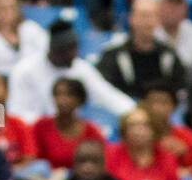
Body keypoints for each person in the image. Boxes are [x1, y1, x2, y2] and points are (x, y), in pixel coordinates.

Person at [8, 21, 136, 126]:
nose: (75, 54)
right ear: (55, 50)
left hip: (69, 132)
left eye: (76, 48)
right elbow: (16, 112)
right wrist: (46, 126)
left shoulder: (80, 68)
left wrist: (135, 112)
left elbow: (108, 96)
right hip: (34, 133)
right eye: (70, 50)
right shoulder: (24, 70)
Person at [97, 0, 189, 108]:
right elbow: (103, 92)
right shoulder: (113, 56)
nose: (146, 22)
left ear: (158, 20)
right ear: (131, 19)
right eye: (142, 15)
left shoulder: (169, 55)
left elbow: (180, 91)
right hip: (124, 114)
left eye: (151, 16)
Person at [33, 77, 106, 172]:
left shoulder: (92, 132)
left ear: (80, 100)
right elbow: (33, 160)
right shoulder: (41, 126)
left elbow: (100, 164)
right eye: (57, 94)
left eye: (68, 95)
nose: (61, 100)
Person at [105, 107, 183, 180]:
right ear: (124, 131)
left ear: (154, 130)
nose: (137, 131)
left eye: (144, 125)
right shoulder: (111, 154)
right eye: (132, 126)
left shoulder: (167, 158)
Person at [141, 82, 192, 175]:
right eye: (151, 102)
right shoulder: (132, 137)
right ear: (142, 104)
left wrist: (185, 154)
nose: (156, 108)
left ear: (174, 107)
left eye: (163, 103)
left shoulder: (189, 138)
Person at [156, 0, 192, 71]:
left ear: (186, 9)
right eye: (169, 4)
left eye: (177, 4)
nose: (173, 9)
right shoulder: (151, 33)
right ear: (159, 7)